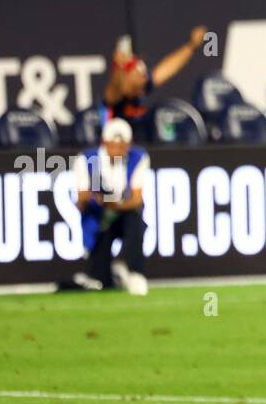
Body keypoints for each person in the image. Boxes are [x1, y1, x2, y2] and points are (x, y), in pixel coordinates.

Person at [73, 118, 150, 295]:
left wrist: (116, 204)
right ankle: (105, 273)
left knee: (135, 217)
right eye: (114, 146)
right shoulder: (87, 159)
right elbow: (82, 198)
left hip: (123, 214)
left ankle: (132, 269)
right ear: (105, 143)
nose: (118, 151)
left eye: (122, 146)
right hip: (99, 220)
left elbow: (137, 198)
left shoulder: (138, 157)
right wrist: (100, 201)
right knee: (101, 282)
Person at [102, 26, 207, 139]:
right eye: (137, 71)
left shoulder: (143, 86)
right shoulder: (116, 98)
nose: (143, 74)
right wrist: (120, 68)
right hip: (117, 146)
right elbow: (115, 89)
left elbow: (167, 69)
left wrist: (191, 45)